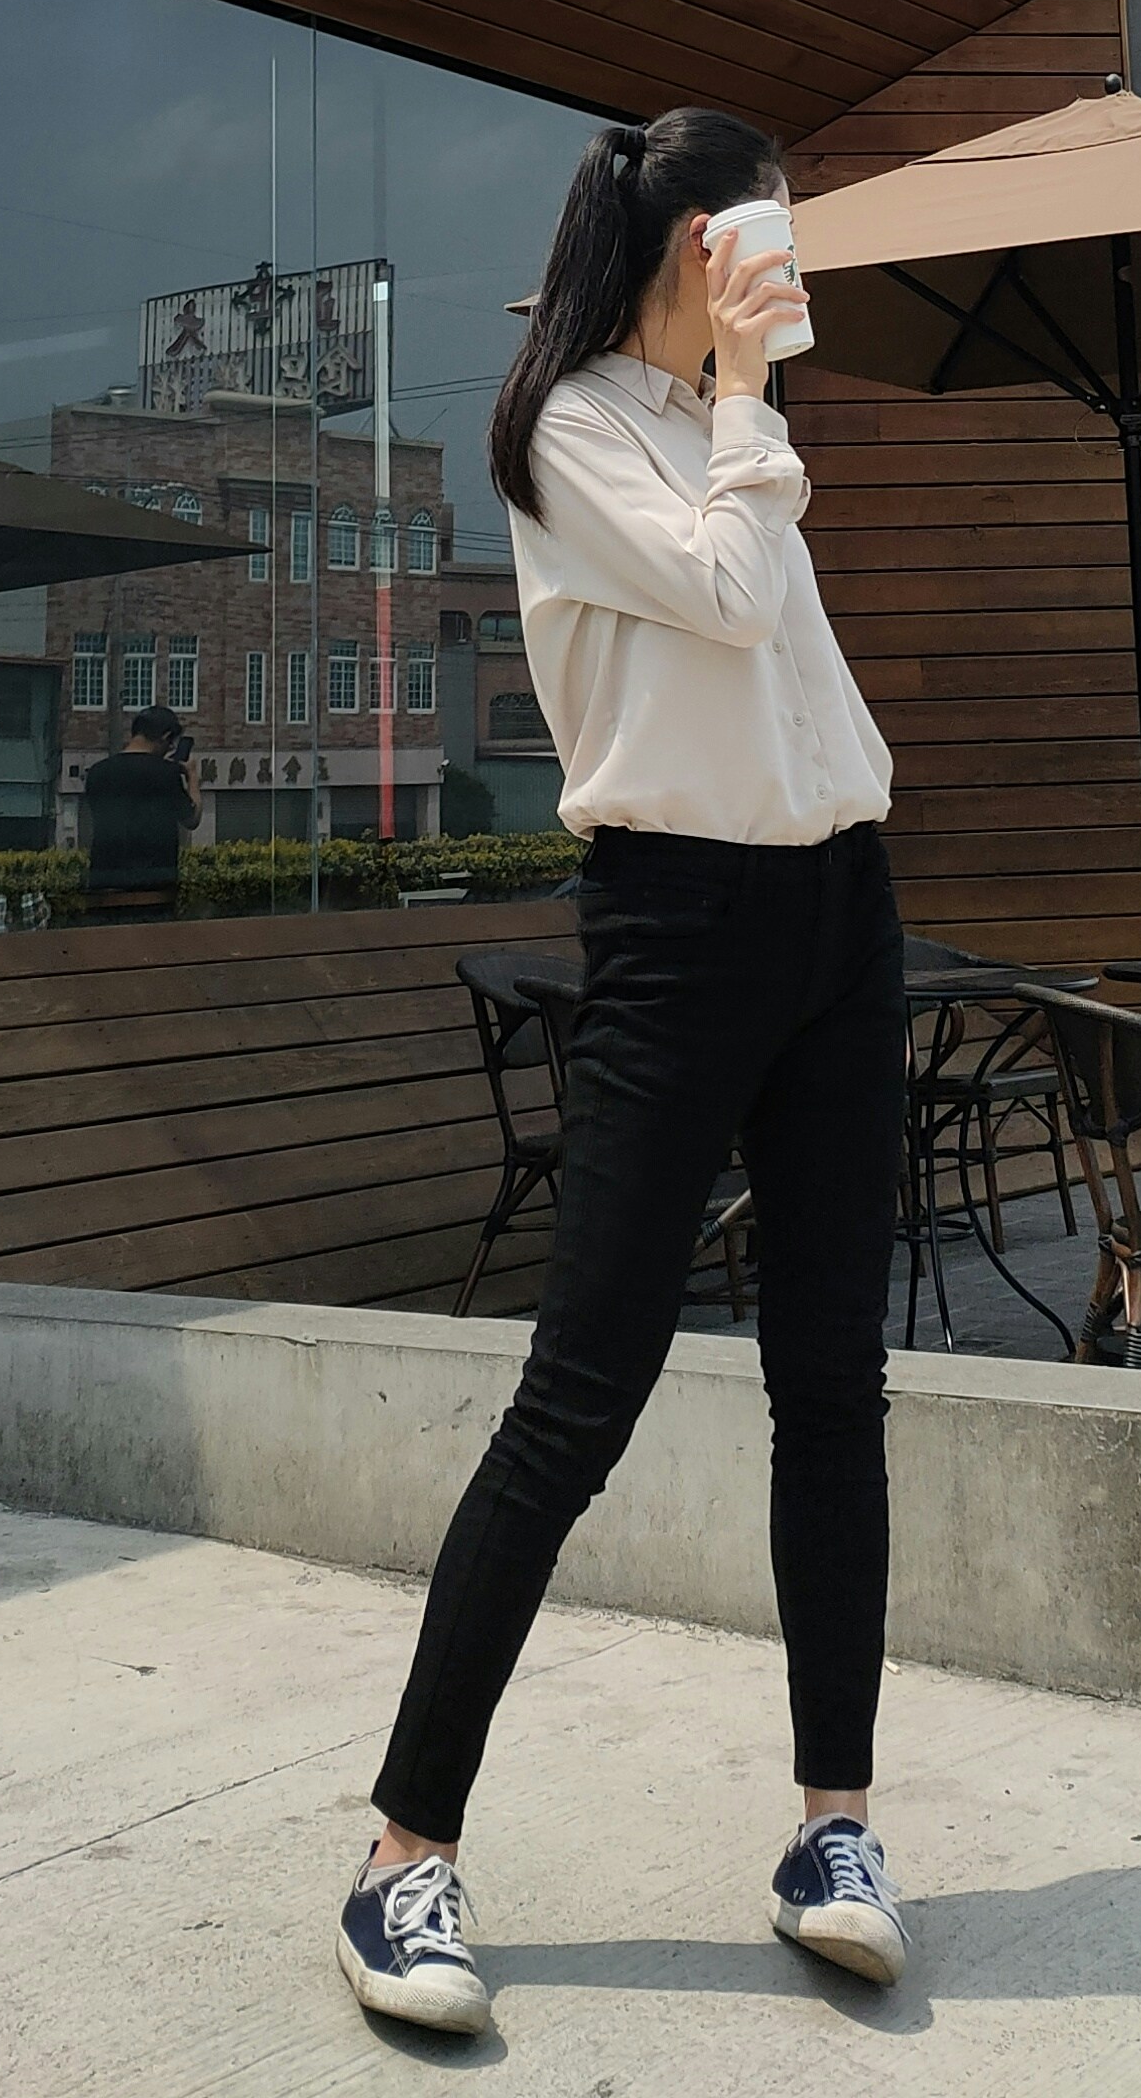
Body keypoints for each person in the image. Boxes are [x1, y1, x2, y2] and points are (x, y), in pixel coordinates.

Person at [336, 105, 909, 2036]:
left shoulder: (726, 427)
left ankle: (835, 1823)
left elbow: (782, 661)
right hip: (677, 929)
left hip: (843, 912)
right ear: (696, 251)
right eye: (768, 239)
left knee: (836, 1381)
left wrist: (748, 406)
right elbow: (733, 601)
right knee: (581, 1394)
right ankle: (403, 1857)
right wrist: (751, 394)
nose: (793, 266)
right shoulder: (567, 429)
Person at [81, 703, 197, 918]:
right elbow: (192, 818)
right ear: (165, 737)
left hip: (104, 886)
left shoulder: (98, 772)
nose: (170, 748)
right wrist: (192, 777)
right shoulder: (166, 773)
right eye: (171, 743)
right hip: (154, 888)